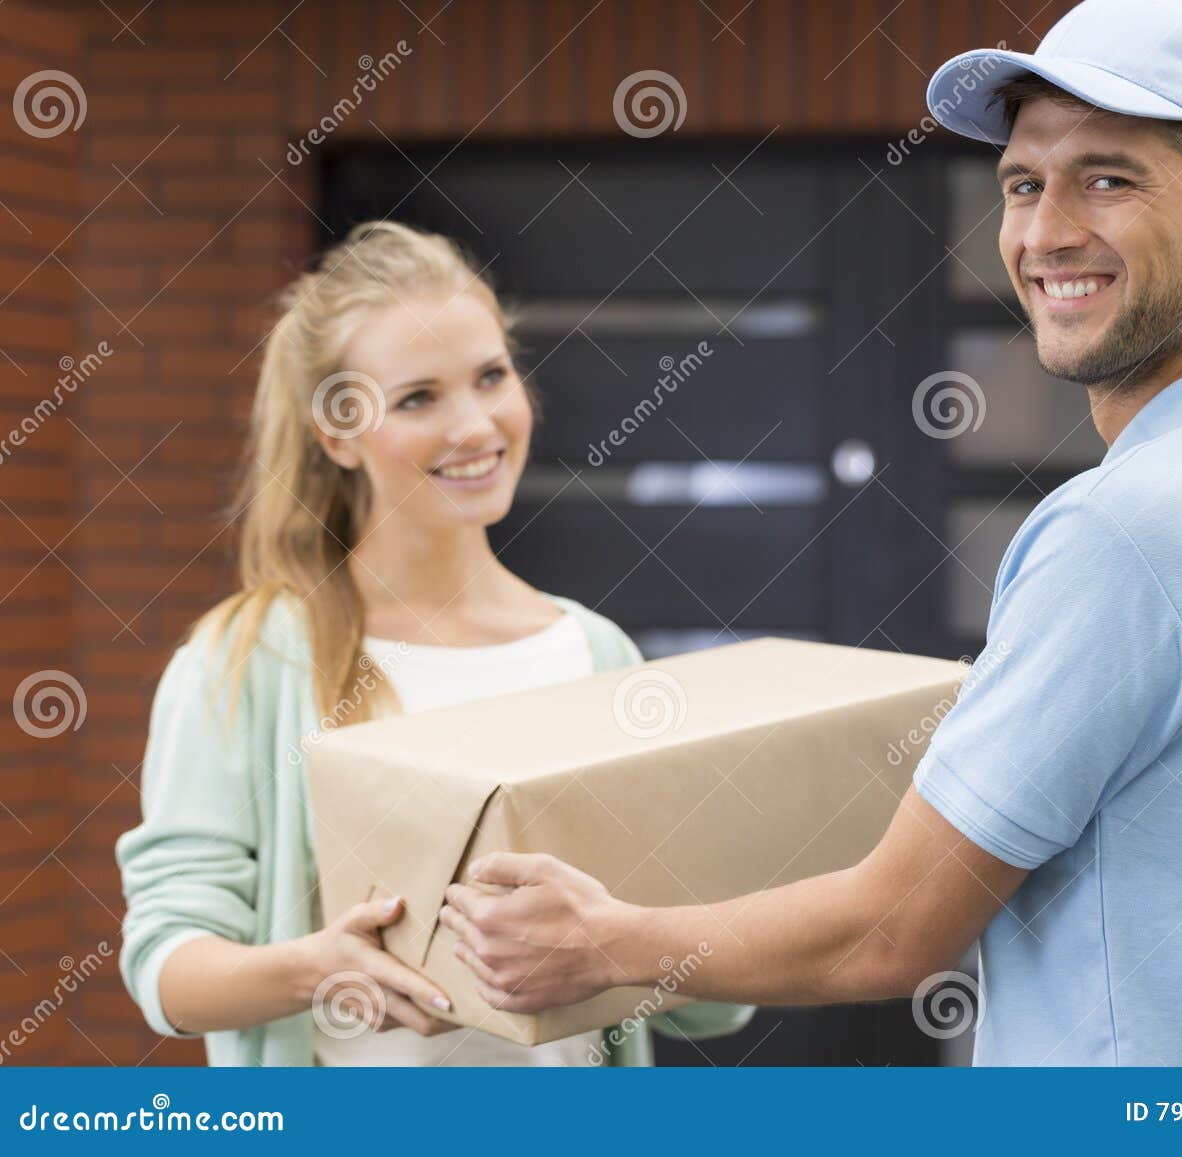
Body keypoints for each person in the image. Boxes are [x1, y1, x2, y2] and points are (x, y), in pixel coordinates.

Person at [440, 0, 1182, 1066]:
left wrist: (606, 942)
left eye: (1109, 178)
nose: (1044, 233)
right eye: (1023, 185)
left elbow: (891, 930)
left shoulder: (1120, 529)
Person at [115, 220, 752, 1066]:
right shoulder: (253, 658)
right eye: (418, 398)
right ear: (338, 432)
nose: (475, 425)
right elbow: (167, 965)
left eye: (491, 376)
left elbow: (706, 1010)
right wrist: (315, 969)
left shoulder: (596, 654)